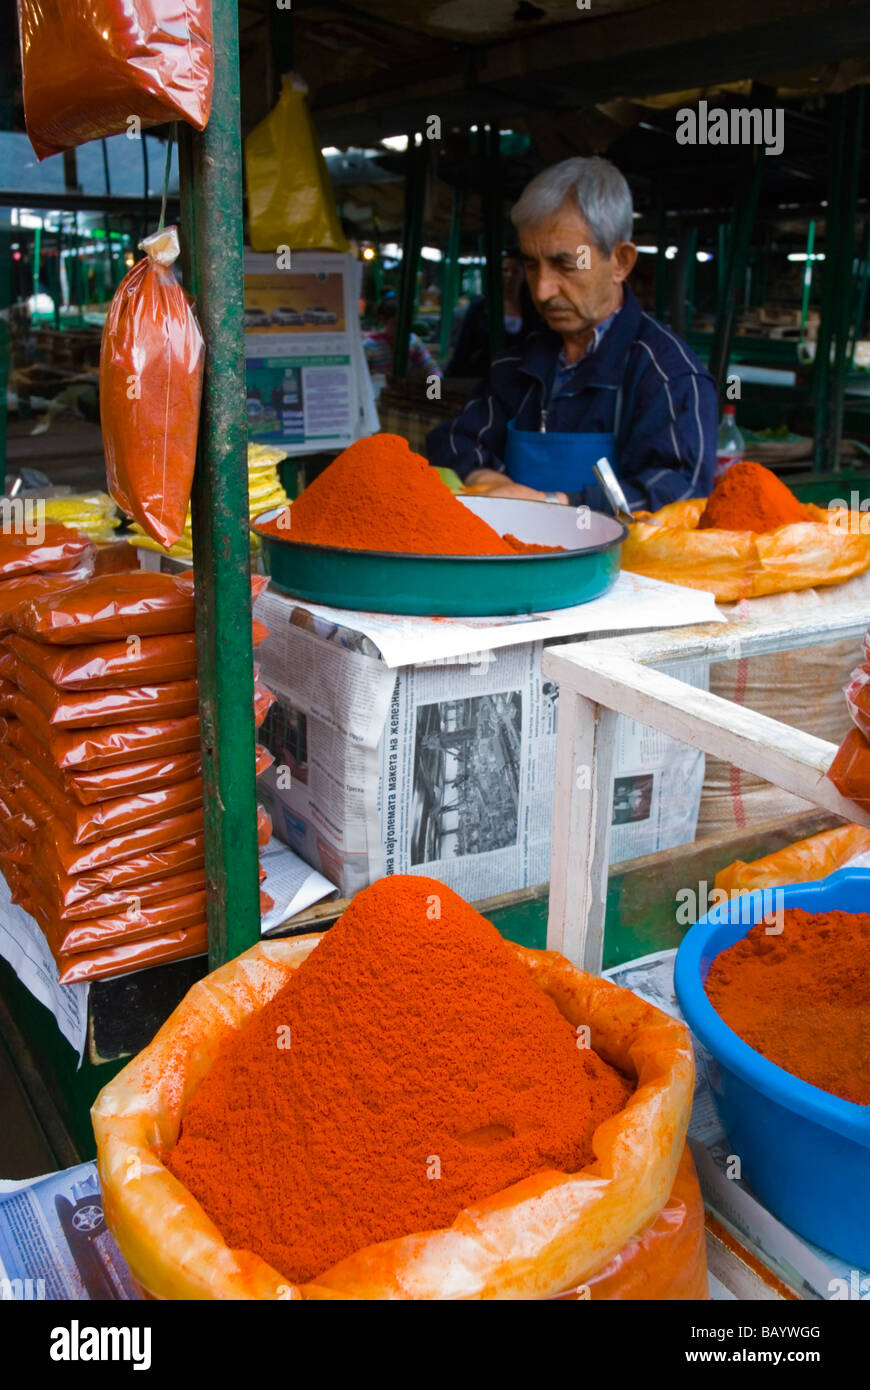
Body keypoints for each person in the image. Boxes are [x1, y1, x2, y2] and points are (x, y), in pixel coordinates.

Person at [427, 157, 716, 511]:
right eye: (532, 265)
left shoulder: (667, 374)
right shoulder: (518, 363)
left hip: (613, 567)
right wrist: (489, 480)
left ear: (621, 262)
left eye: (565, 264)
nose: (544, 290)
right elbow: (456, 440)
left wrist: (556, 505)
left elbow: (679, 492)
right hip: (512, 558)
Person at [445, 250, 542, 378]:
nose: (509, 275)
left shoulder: (533, 307)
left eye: (515, 271)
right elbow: (464, 347)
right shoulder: (481, 306)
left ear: (523, 274)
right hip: (485, 375)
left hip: (522, 376)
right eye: (505, 270)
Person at [364, 295, 442, 382]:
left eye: (405, 322)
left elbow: (432, 368)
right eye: (396, 323)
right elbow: (363, 375)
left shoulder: (413, 341)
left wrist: (436, 390)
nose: (401, 327)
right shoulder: (369, 345)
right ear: (383, 320)